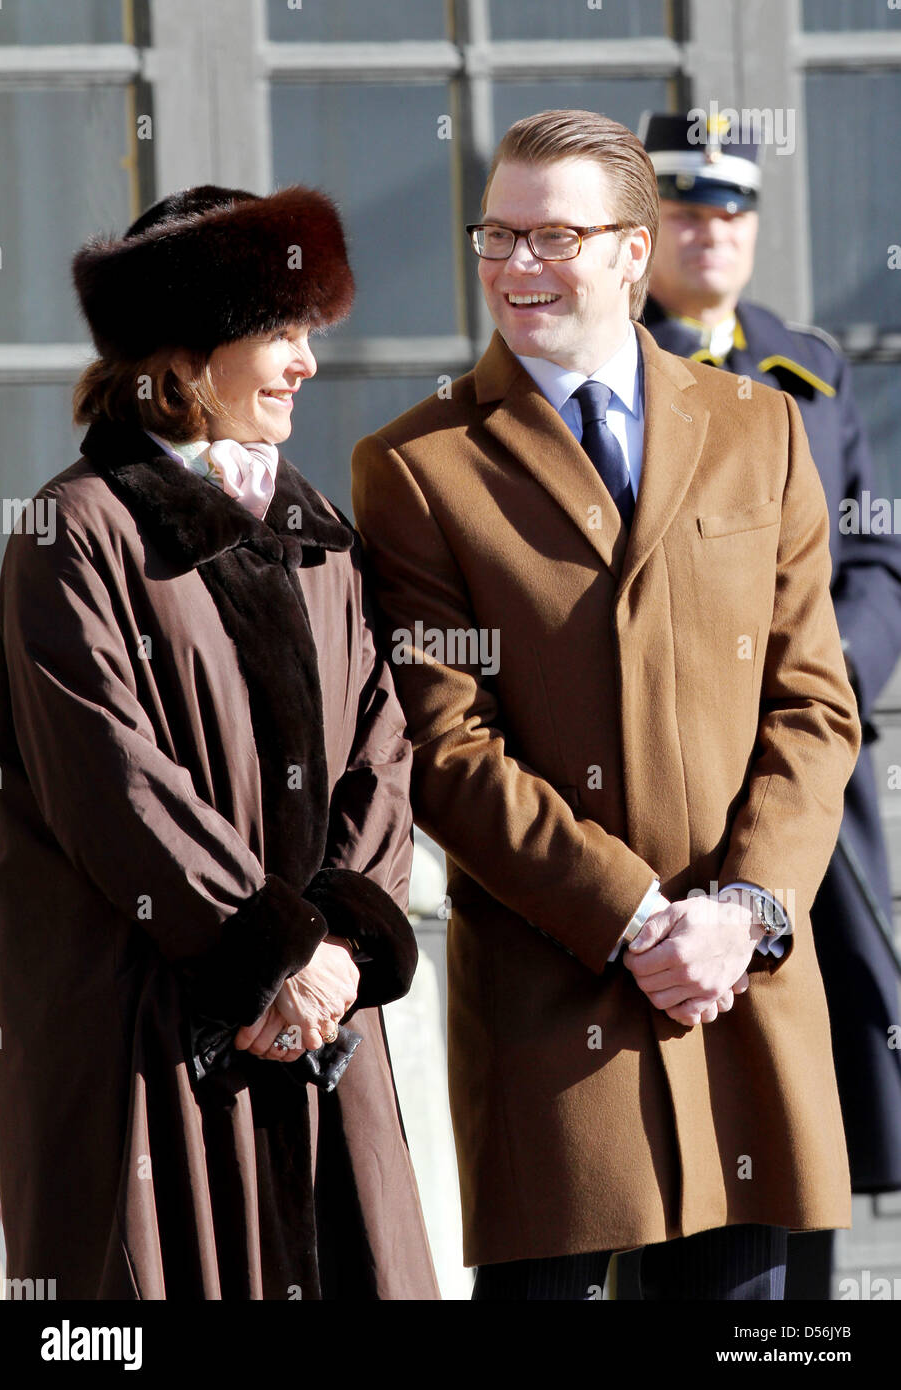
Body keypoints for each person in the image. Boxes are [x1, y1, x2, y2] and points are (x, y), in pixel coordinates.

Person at [351, 109, 862, 1301]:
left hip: (741, 996)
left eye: (552, 236)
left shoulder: (760, 428)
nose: (514, 264)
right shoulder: (419, 465)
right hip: (557, 1010)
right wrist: (640, 920)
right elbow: (445, 748)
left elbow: (812, 705)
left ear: (635, 251)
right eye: (496, 233)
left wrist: (739, 911)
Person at [0, 184, 439, 1300]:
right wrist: (270, 956)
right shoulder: (74, 533)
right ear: (184, 357)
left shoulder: (311, 530)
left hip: (321, 1025)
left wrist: (336, 951)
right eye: (280, 334)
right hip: (152, 1039)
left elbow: (380, 748)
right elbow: (112, 786)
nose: (306, 365)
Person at [640, 111, 901, 1298]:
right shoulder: (608, 359)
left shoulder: (806, 364)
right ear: (648, 226)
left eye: (732, 210)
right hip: (665, 772)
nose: (713, 231)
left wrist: (824, 679)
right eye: (689, 209)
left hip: (805, 776)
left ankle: (805, 1311)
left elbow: (874, 561)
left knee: (827, 1038)